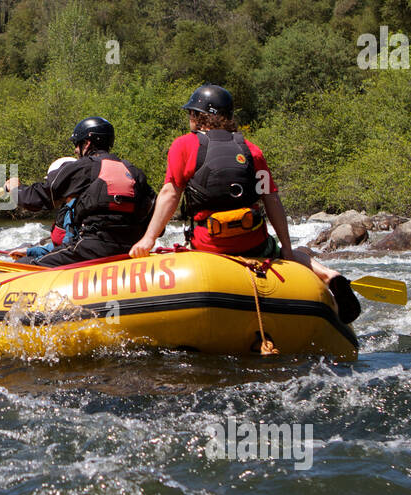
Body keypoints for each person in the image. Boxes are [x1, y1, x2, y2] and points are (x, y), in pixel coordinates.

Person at [128, 84, 360, 323]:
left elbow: (170, 193)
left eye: (191, 113)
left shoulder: (185, 145)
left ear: (199, 117)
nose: (189, 118)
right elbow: (272, 200)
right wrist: (287, 249)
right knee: (297, 252)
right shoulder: (251, 150)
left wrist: (149, 239)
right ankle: (330, 275)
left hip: (210, 245)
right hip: (254, 244)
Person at [3, 117, 156, 267]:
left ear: (87, 143)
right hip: (131, 250)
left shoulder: (84, 167)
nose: (76, 151)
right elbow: (156, 219)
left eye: (77, 145)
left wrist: (16, 189)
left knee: (22, 265)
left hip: (91, 249)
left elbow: (38, 198)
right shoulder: (134, 172)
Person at [8, 157, 77, 260]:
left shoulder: (75, 209)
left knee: (23, 262)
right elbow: (57, 246)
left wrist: (34, 259)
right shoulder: (66, 208)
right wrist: (29, 252)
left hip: (70, 263)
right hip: (62, 255)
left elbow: (69, 250)